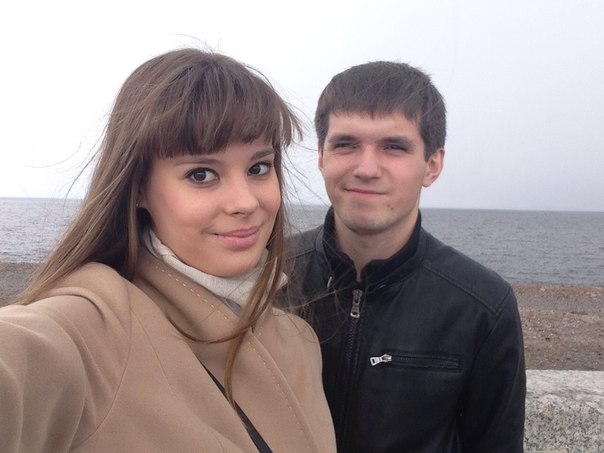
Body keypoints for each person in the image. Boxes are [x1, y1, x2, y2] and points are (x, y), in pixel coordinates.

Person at [0, 48, 336, 453]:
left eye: (258, 168)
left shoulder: (299, 340)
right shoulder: (93, 328)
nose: (245, 202)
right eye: (201, 174)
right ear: (138, 187)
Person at [284, 61, 526, 452]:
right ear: (321, 157)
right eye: (345, 144)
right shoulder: (270, 276)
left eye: (394, 147)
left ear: (432, 165)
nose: (366, 168)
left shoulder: (481, 306)